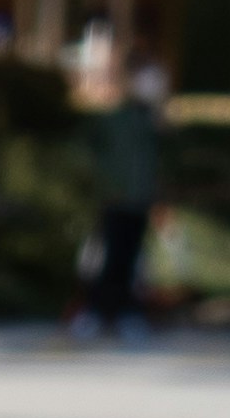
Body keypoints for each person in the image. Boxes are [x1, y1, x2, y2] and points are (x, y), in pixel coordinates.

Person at [65, 29, 169, 342]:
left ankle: (127, 314)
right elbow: (89, 156)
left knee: (131, 261)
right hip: (113, 199)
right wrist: (103, 187)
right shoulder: (112, 119)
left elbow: (155, 164)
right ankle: (95, 313)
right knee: (104, 261)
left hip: (140, 200)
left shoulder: (149, 121)